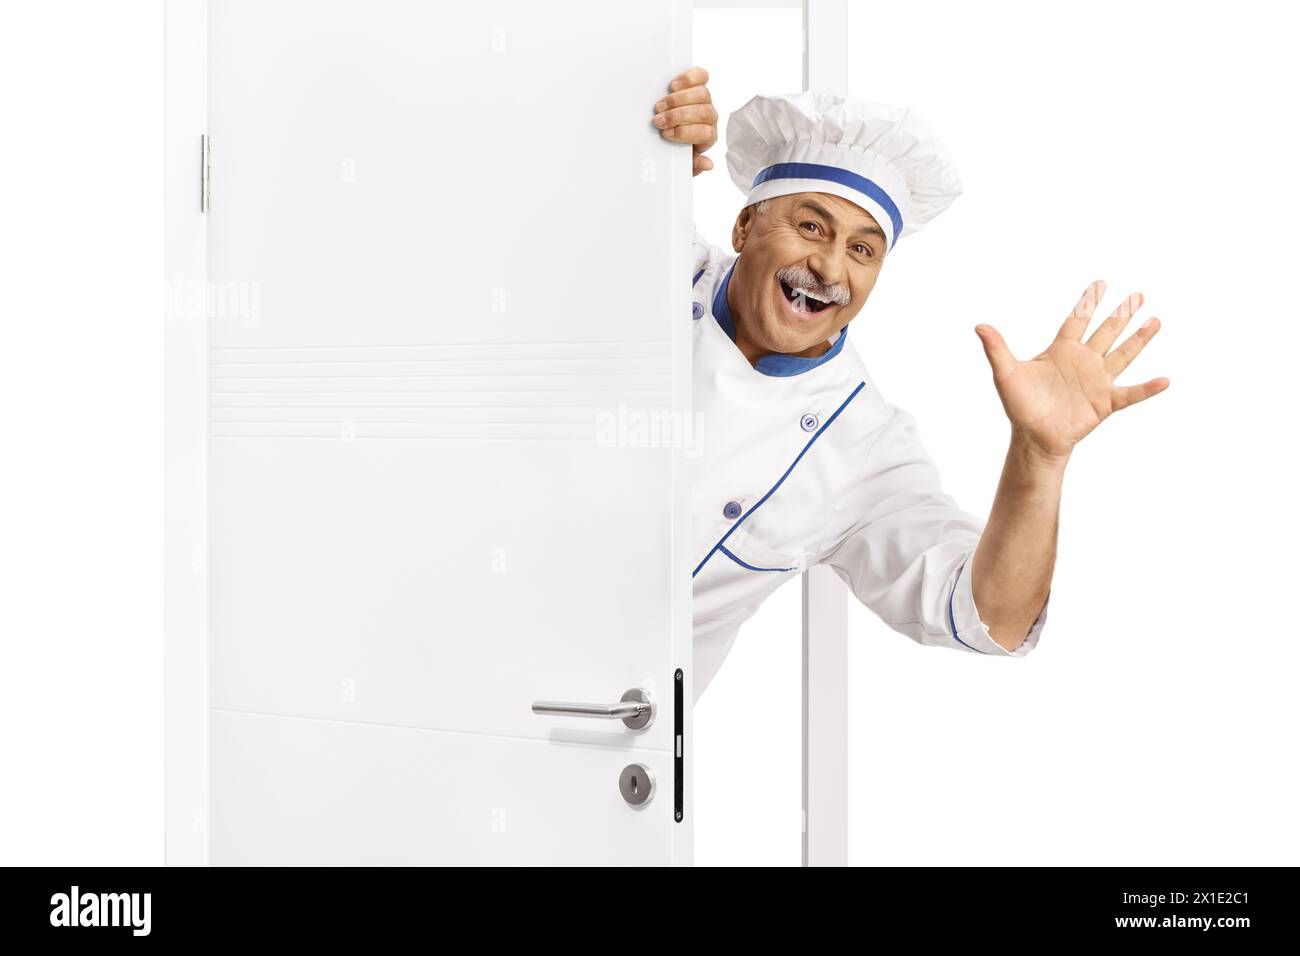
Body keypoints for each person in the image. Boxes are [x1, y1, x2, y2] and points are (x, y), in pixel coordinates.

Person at [653, 68, 1169, 699]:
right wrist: (645, 143)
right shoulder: (653, 263)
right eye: (811, 227)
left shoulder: (862, 446)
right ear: (743, 229)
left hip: (611, 750)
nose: (829, 267)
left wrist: (1041, 454)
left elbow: (991, 618)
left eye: (863, 250)